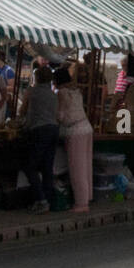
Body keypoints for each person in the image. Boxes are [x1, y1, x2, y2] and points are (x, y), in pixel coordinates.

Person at [19, 65, 59, 213]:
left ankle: (41, 200)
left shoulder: (32, 92)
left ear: (37, 77)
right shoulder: (54, 94)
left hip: (39, 130)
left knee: (30, 166)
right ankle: (47, 200)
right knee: (47, 167)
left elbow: (24, 112)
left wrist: (23, 124)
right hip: (54, 129)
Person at [56, 65, 93, 213]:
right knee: (86, 166)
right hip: (86, 127)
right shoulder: (77, 91)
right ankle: (87, 197)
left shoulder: (62, 92)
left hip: (74, 130)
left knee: (77, 168)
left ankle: (81, 203)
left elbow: (61, 115)